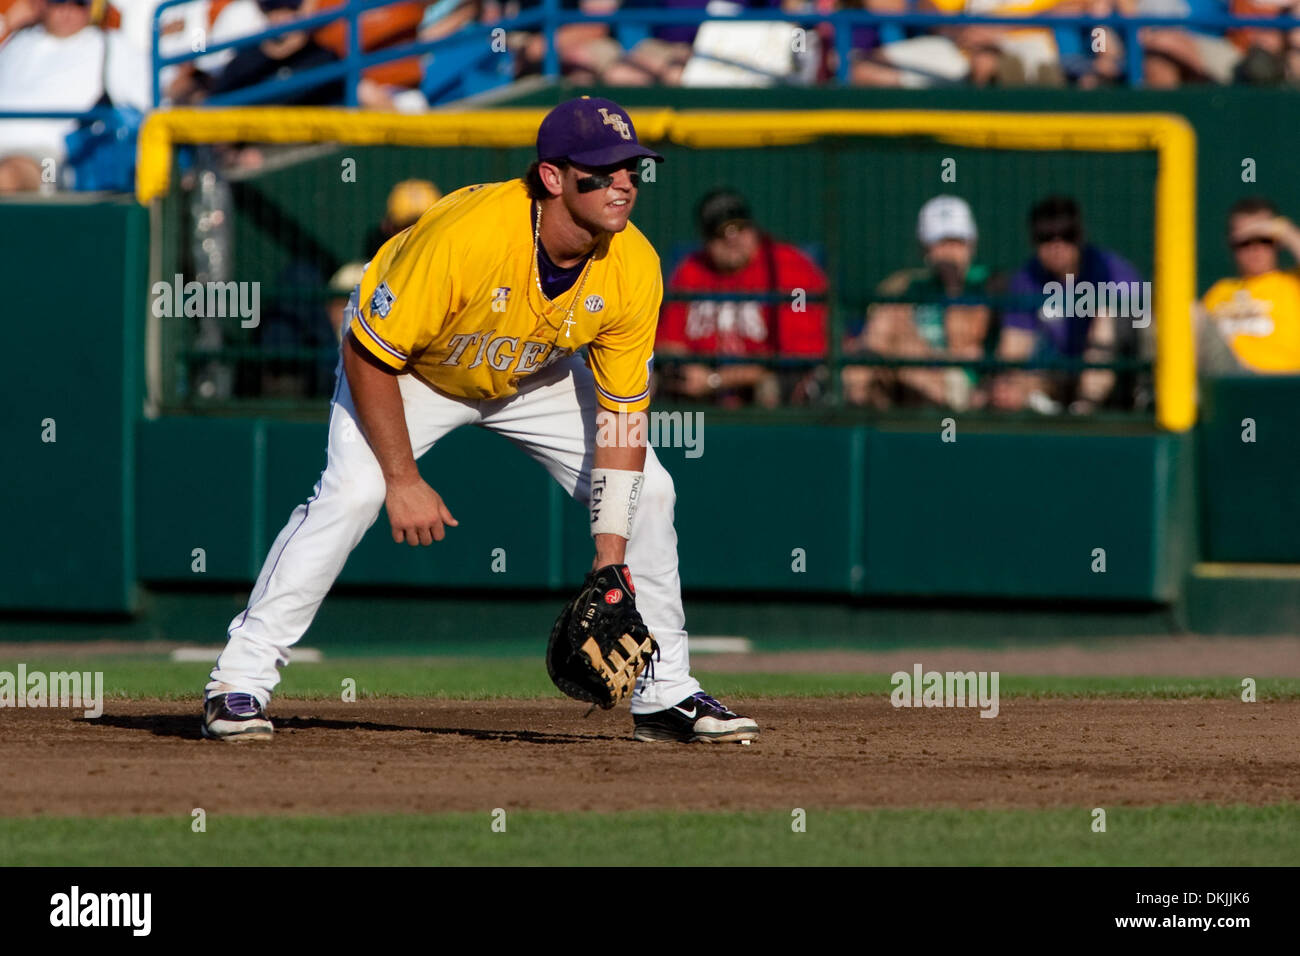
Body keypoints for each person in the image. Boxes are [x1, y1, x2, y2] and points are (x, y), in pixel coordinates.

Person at [202, 96, 760, 746]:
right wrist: (403, 478)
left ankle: (665, 696)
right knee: (353, 494)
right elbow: (367, 351)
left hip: (530, 375)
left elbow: (622, 418)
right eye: (602, 172)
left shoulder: (633, 264)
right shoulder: (468, 236)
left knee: (652, 492)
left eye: (632, 170)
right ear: (552, 178)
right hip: (409, 370)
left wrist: (610, 565)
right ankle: (236, 683)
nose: (623, 185)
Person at [656, 189, 828, 407]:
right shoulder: (690, 270)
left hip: (770, 380)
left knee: (771, 388)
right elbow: (669, 341)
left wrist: (716, 380)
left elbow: (796, 355)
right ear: (706, 240)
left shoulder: (789, 267)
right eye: (720, 234)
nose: (732, 240)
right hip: (702, 381)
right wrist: (685, 369)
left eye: (740, 229)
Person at [995, 196, 1144, 413]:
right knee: (1010, 387)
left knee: (1105, 320)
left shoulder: (1111, 271)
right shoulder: (1028, 278)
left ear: (1080, 237)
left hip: (1128, 370)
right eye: (1046, 238)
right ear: (1033, 241)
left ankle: (1084, 412)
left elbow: (1114, 337)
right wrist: (1008, 386)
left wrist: (1085, 402)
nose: (1057, 246)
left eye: (1067, 236)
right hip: (1065, 370)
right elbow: (1013, 348)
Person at [845, 195, 994, 410]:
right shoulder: (910, 286)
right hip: (907, 374)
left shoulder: (985, 286)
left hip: (957, 384)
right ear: (925, 248)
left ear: (971, 245)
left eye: (957, 243)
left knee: (891, 338)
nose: (949, 253)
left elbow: (970, 353)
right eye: (941, 243)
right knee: (863, 367)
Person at [0, 0, 149, 192]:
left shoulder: (111, 46)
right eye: (57, 1)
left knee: (7, 178)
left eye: (79, 2)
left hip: (52, 164)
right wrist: (6, 23)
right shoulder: (17, 41)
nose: (67, 9)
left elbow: (153, 103)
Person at [1198, 197, 1300, 373]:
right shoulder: (1220, 291)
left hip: (1282, 381)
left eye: (1263, 239)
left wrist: (1285, 231)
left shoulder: (1292, 282)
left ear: (1278, 241)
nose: (1254, 248)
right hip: (1228, 379)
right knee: (1187, 315)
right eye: (1244, 242)